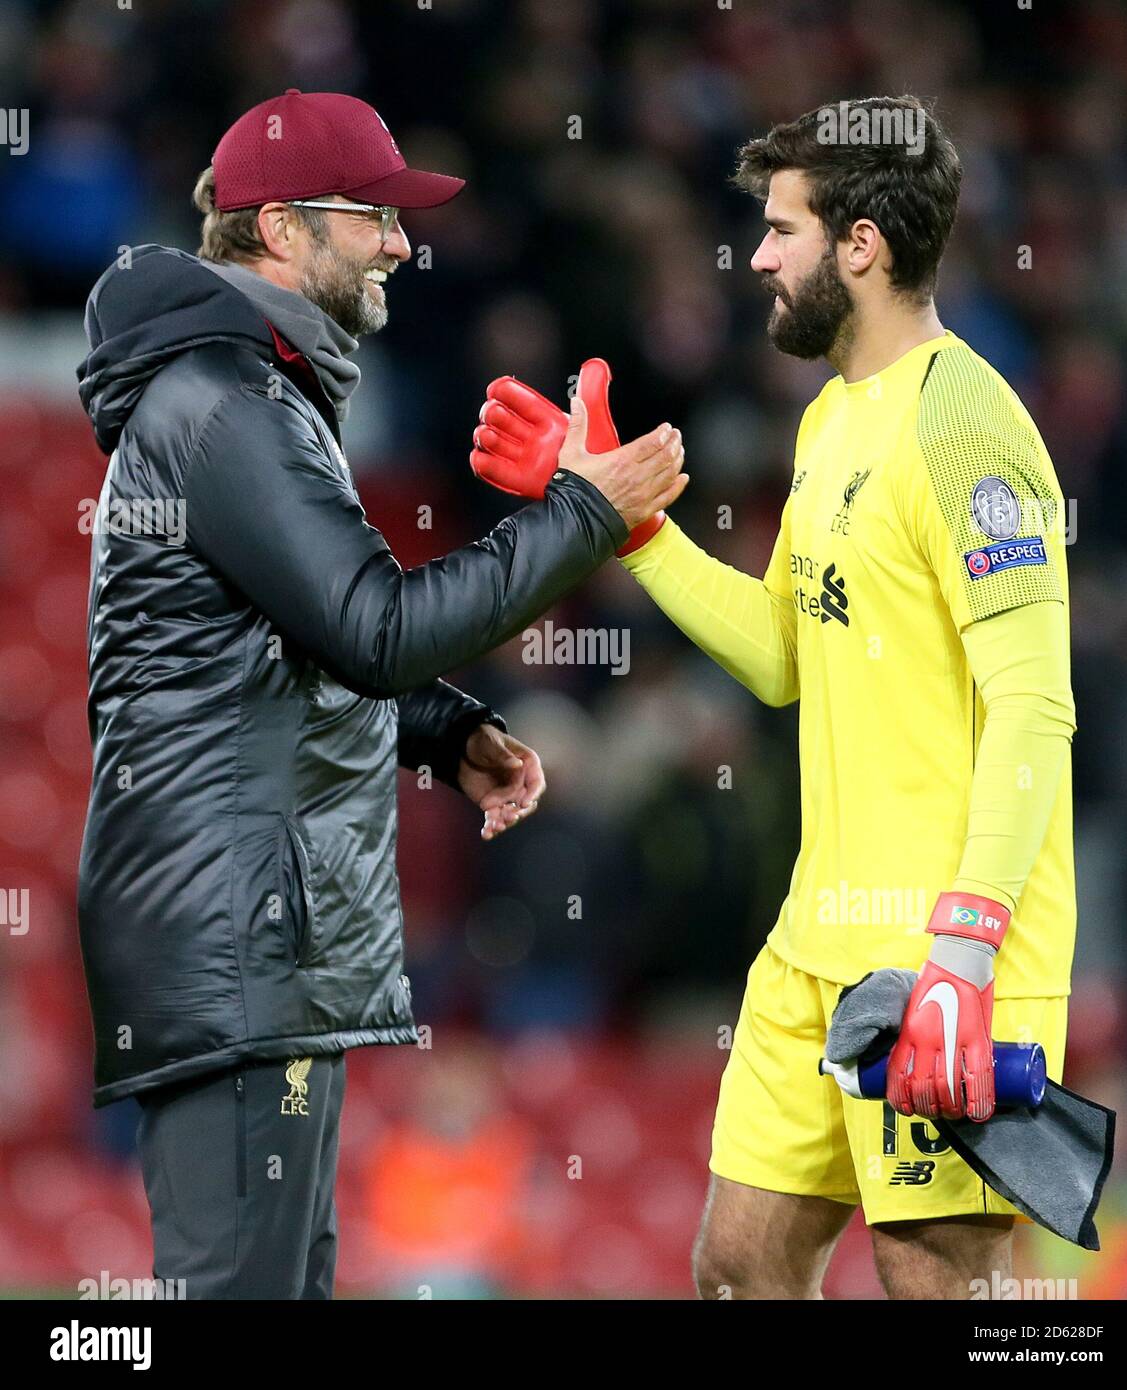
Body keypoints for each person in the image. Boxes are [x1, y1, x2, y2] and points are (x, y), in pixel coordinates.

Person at [74, 87, 686, 1299]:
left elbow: (296, 644)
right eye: (374, 216)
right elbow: (373, 629)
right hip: (237, 935)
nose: (404, 243)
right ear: (282, 230)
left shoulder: (249, 390)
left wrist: (446, 731)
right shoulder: (227, 401)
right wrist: (582, 511)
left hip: (255, 935)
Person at [470, 95, 1076, 1300]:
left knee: (940, 1289)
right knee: (737, 1271)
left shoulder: (967, 424)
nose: (755, 256)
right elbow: (781, 655)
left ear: (862, 245)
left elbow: (1034, 705)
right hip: (814, 946)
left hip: (943, 951)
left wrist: (964, 951)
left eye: (782, 229)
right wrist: (625, 522)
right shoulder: (831, 418)